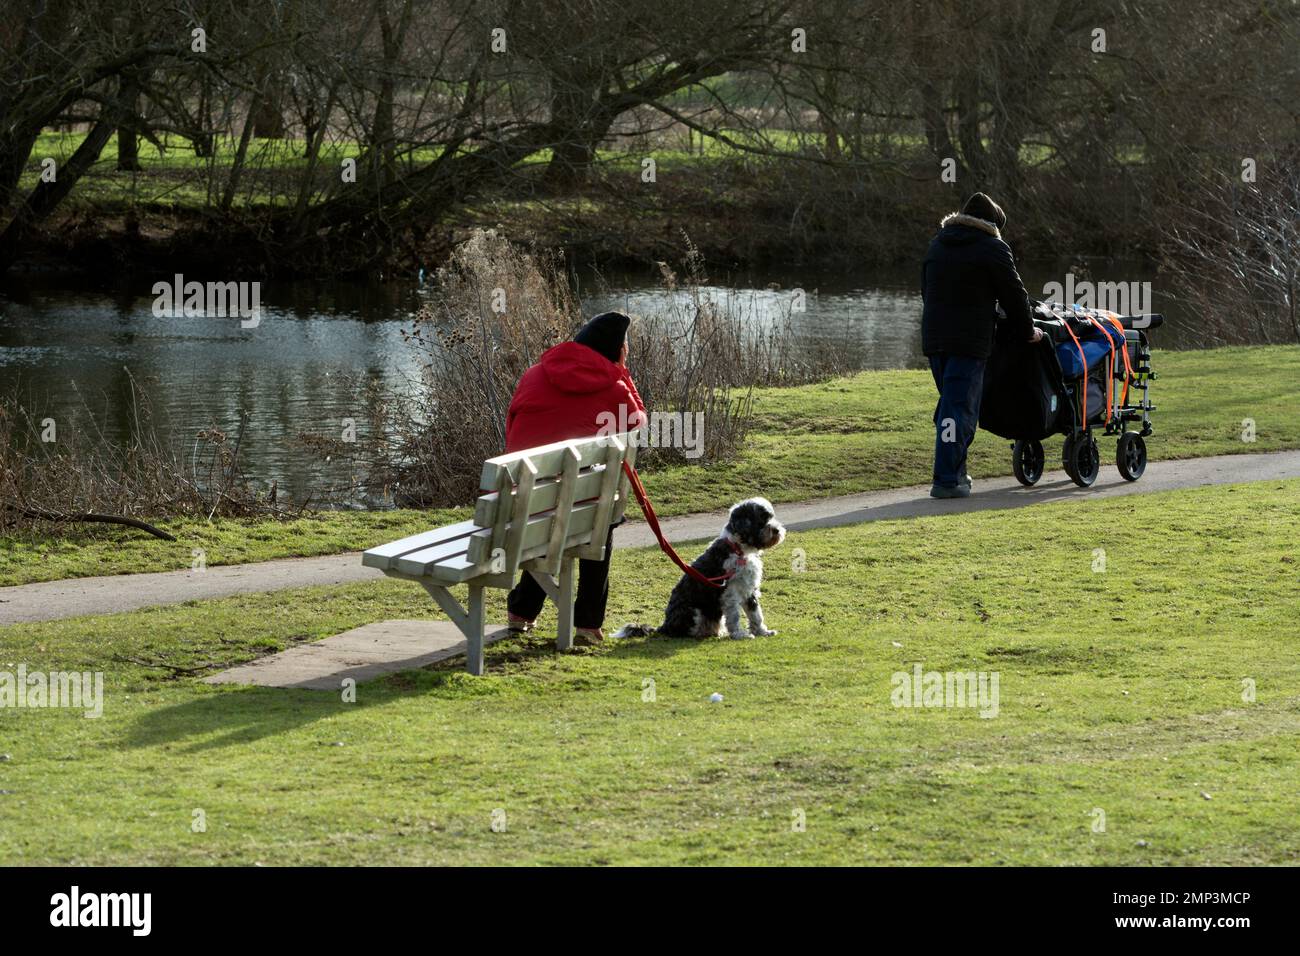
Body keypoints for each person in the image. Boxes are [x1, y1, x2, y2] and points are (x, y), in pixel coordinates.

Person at [503, 310, 646, 645]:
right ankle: (587, 623)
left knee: (550, 514)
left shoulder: (534, 374)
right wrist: (623, 373)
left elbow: (512, 425)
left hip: (518, 505)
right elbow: (638, 423)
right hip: (574, 511)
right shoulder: (613, 386)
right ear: (617, 352)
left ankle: (522, 611)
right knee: (601, 516)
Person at [921, 192, 1044, 499]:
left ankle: (953, 472)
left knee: (951, 405)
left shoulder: (937, 245)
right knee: (958, 409)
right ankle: (948, 479)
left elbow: (926, 290)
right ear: (992, 225)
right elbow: (1015, 294)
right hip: (968, 342)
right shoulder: (992, 248)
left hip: (935, 340)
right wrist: (1028, 330)